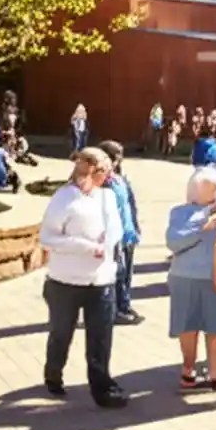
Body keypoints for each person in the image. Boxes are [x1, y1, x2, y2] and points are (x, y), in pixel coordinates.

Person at [38, 147, 128, 408]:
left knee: (100, 336)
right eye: (102, 170)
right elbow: (48, 238)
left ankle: (102, 388)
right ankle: (53, 374)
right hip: (65, 281)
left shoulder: (107, 197)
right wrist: (86, 246)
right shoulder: (64, 198)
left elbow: (116, 230)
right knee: (61, 333)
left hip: (101, 280)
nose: (107, 175)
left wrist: (107, 246)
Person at [166, 168, 216, 390]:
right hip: (184, 277)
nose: (215, 191)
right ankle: (188, 370)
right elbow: (174, 243)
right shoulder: (180, 212)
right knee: (188, 326)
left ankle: (215, 372)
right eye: (210, 187)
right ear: (195, 190)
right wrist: (202, 227)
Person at [99, 141, 144, 326]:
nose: (117, 162)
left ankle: (125, 305)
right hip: (114, 236)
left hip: (128, 233)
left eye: (119, 158)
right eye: (114, 158)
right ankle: (115, 309)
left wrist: (135, 225)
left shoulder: (120, 179)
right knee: (118, 272)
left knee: (127, 273)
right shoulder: (102, 183)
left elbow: (131, 204)